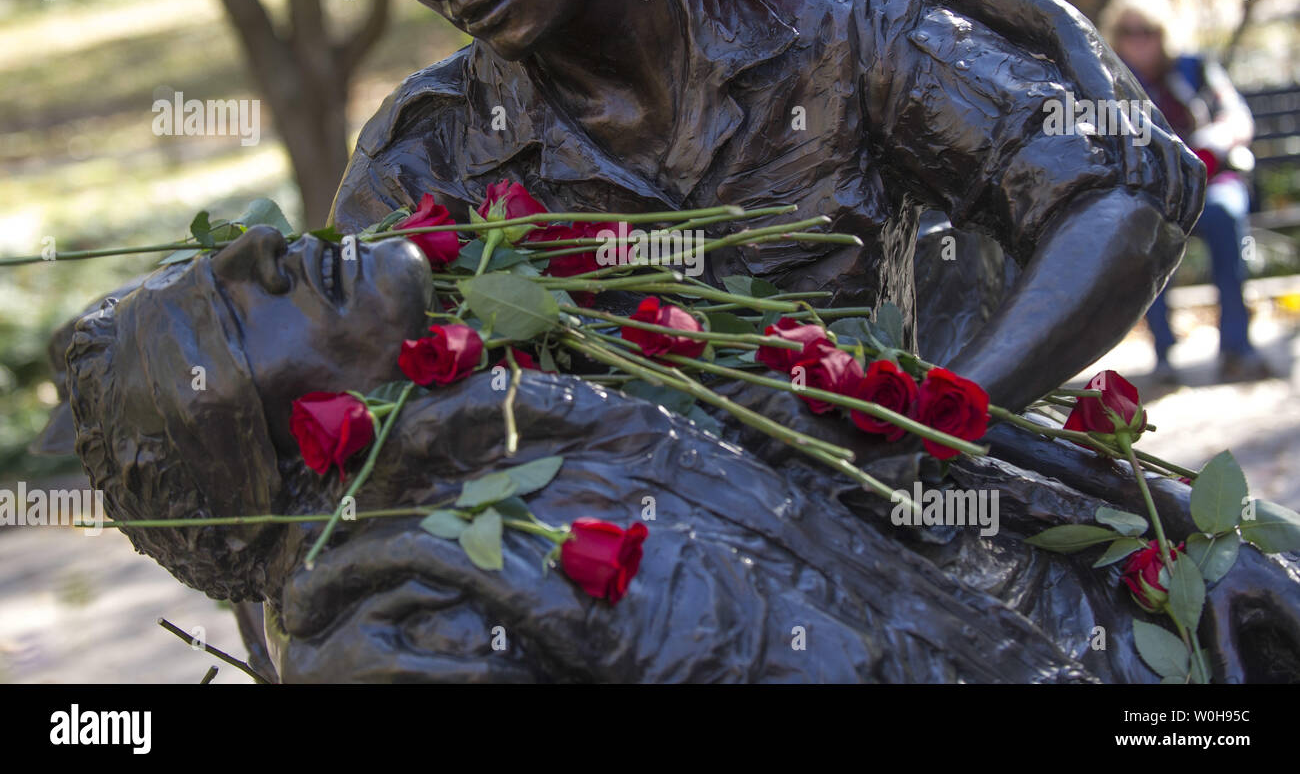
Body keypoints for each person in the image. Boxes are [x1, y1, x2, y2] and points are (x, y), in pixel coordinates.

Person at [63, 228, 1300, 682]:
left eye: (232, 253)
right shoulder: (397, 639)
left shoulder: (519, 411)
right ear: (249, 446)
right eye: (232, 307)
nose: (266, 247)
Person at [299, 0, 1204, 417]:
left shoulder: (824, 18)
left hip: (906, 541)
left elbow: (1116, 192)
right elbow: (331, 425)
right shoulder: (420, 167)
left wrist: (940, 419)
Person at [1101, 0, 1271, 384]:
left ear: (1165, 33)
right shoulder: (1109, 80)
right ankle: (1164, 353)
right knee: (1144, 227)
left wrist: (1214, 141)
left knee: (1228, 214)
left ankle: (1236, 347)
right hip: (1151, 193)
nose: (1138, 40)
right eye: (1128, 31)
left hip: (1210, 184)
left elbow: (1237, 118)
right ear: (1116, 35)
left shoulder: (1196, 67)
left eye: (1148, 31)